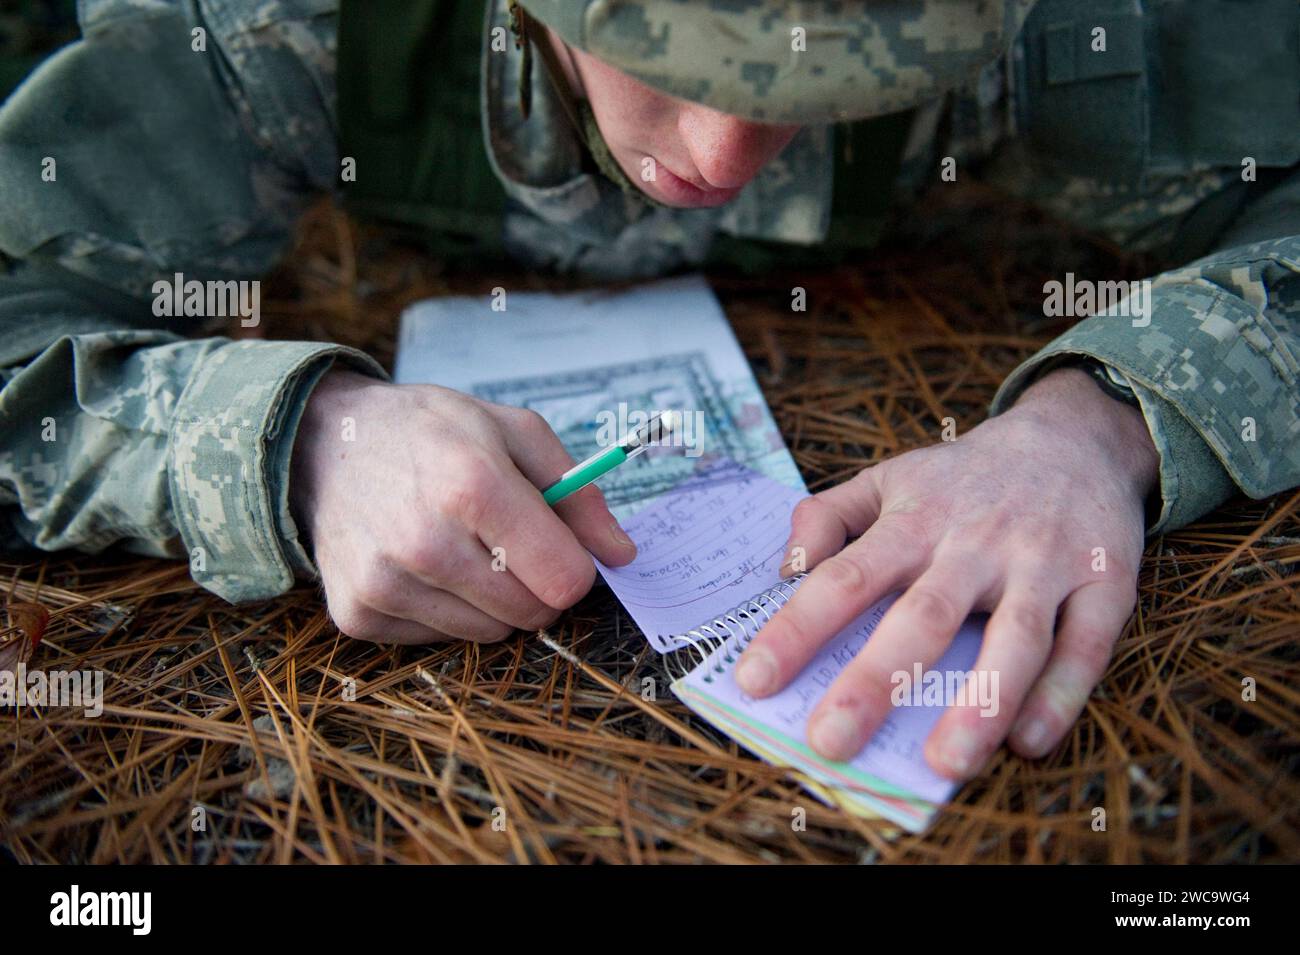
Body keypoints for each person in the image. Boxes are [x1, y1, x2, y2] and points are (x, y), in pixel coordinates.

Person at [1, 0, 1296, 782]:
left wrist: (1096, 425)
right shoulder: (273, 28)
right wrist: (297, 445)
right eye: (678, 54)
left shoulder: (1024, 26)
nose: (726, 153)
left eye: (827, 81)